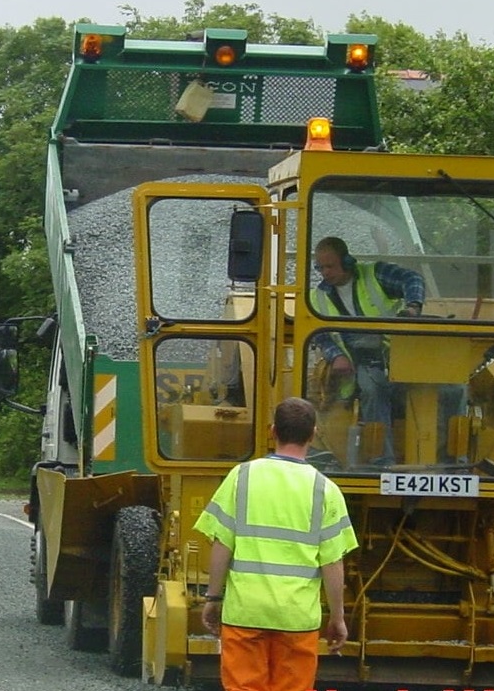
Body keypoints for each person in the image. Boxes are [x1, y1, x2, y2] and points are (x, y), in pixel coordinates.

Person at [195, 397, 358, 691]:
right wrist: (337, 617)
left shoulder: (241, 477)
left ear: (272, 431)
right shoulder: (325, 490)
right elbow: (333, 562)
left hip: (245, 613)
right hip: (297, 619)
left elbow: (221, 545)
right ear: (313, 434)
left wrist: (213, 598)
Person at [309, 236, 425, 465]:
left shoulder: (376, 275)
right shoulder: (317, 297)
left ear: (347, 260)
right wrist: (337, 356)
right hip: (356, 363)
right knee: (372, 389)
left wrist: (412, 308)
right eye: (320, 267)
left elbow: (412, 279)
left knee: (450, 388)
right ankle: (382, 461)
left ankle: (452, 459)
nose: (325, 273)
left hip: (397, 354)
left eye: (330, 266)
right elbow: (320, 334)